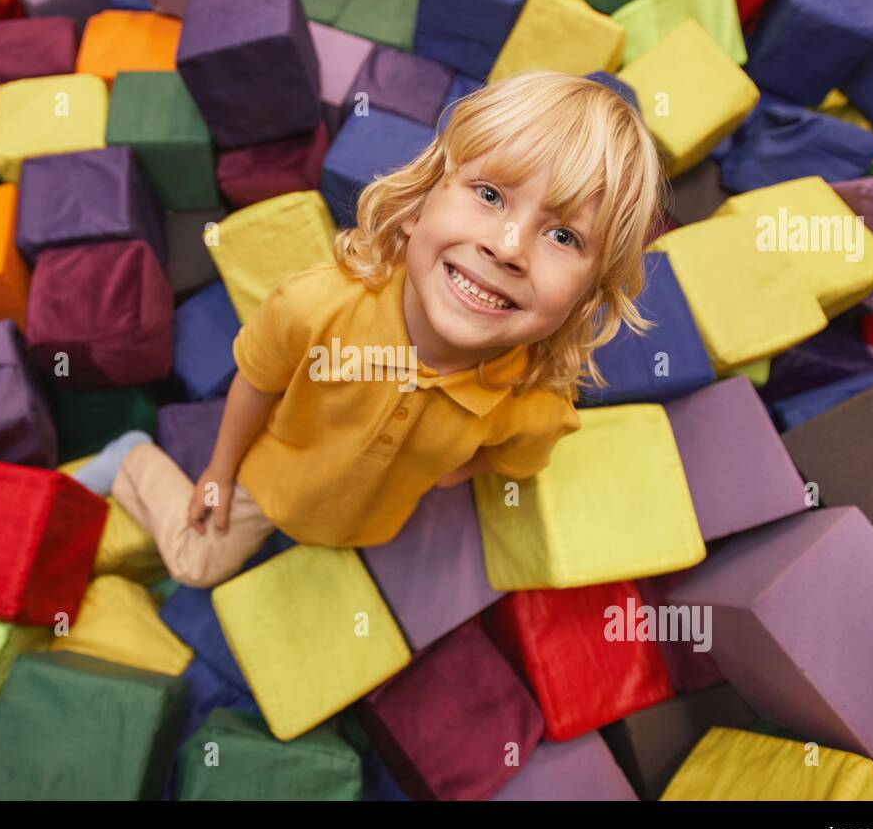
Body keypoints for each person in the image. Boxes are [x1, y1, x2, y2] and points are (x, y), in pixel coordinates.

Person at [112, 70, 666, 589]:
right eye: (490, 195)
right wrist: (219, 471)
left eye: (564, 237)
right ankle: (130, 460)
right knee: (196, 567)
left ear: (586, 297)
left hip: (372, 519)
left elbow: (506, 458)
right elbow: (257, 382)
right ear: (419, 204)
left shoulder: (536, 403)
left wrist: (435, 472)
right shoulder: (314, 305)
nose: (508, 247)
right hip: (274, 486)